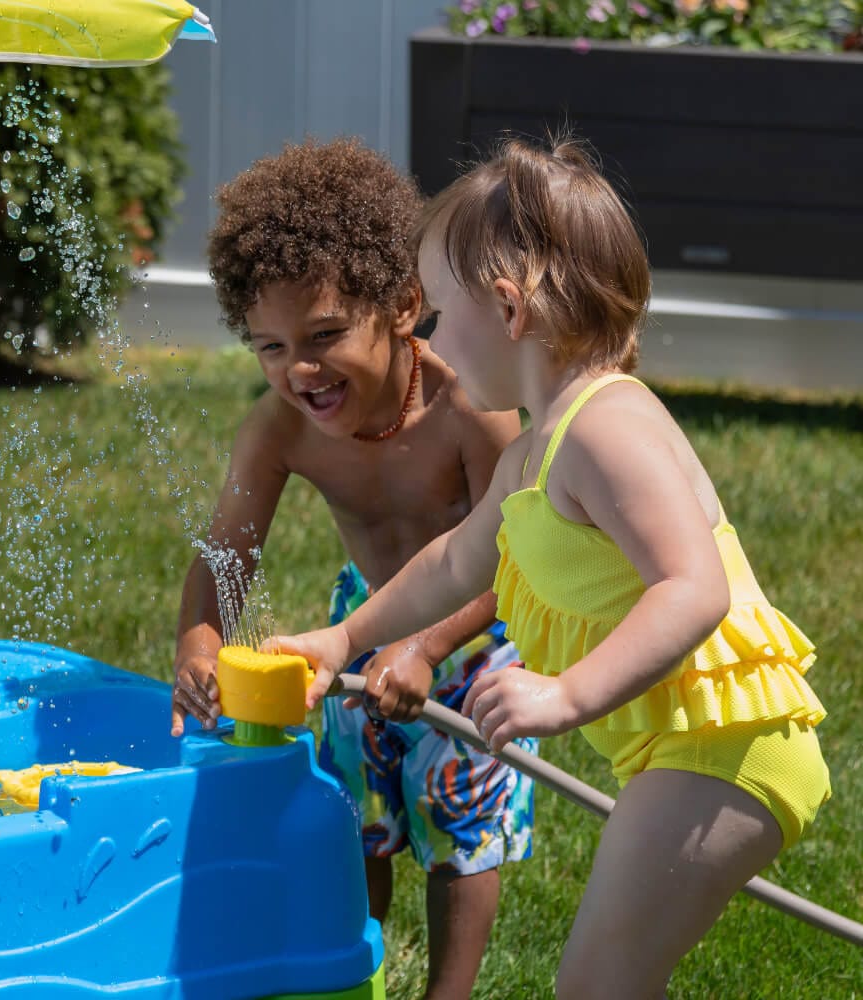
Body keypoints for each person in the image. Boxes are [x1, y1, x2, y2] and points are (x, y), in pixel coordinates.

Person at [268, 135, 831, 999]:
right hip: (682, 751)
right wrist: (342, 637)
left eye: (441, 317)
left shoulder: (607, 425)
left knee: (595, 988)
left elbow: (695, 587)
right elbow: (455, 561)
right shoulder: (534, 451)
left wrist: (566, 695)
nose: (433, 341)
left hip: (728, 748)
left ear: (508, 308)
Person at [170, 137, 537, 1000]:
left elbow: (510, 559)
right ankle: (348, 967)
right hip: (364, 624)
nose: (298, 368)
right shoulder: (279, 427)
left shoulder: (469, 410)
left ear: (404, 305)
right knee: (352, 813)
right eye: (268, 346)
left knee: (459, 821)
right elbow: (226, 554)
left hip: (480, 635)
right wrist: (197, 639)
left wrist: (429, 649)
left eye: (325, 333)